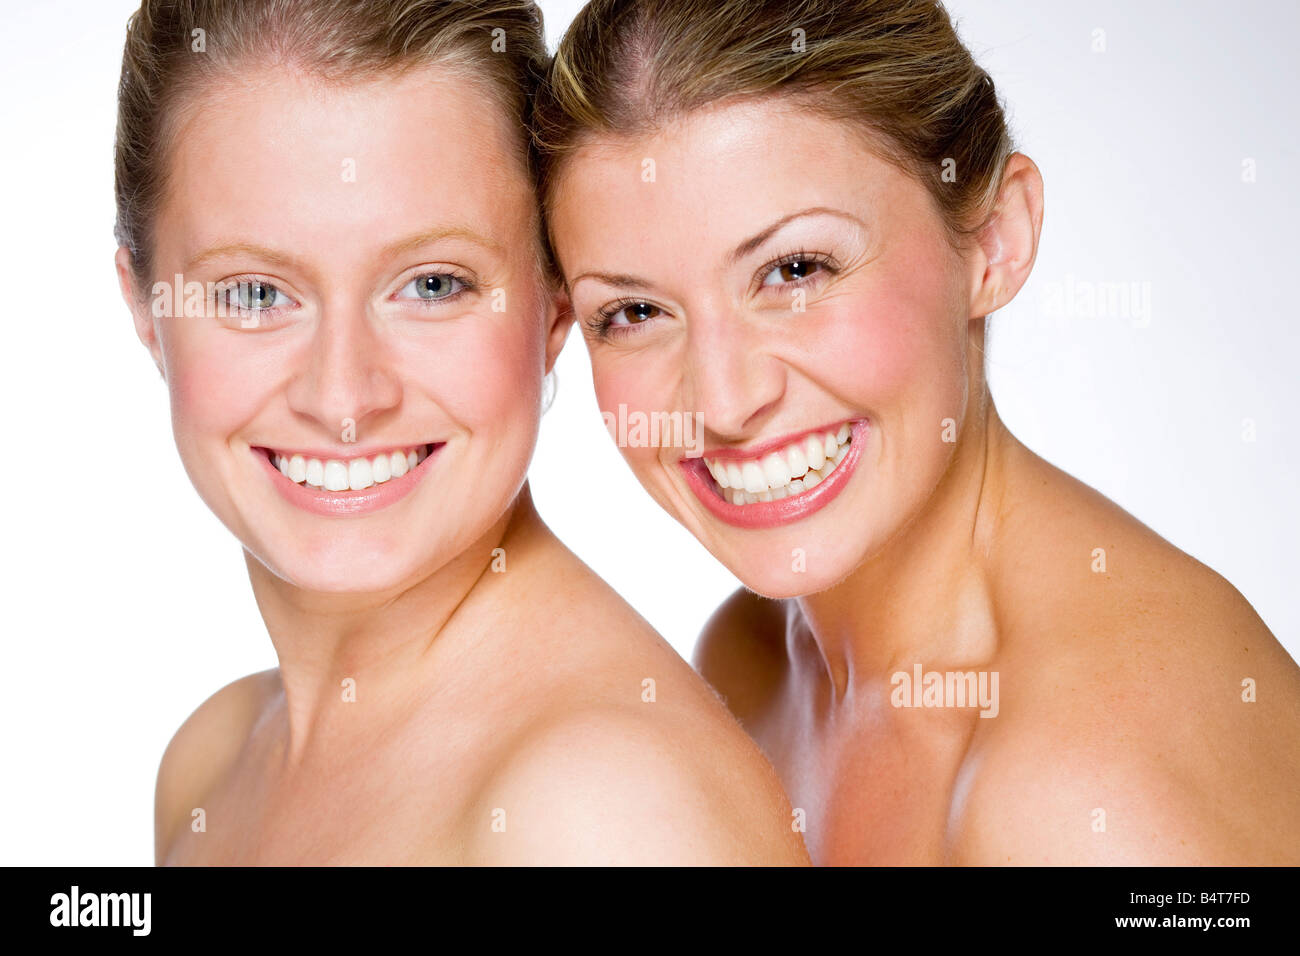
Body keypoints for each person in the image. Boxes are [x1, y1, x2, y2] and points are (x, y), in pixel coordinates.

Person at [535, 0, 1300, 863]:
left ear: (993, 239)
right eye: (634, 311)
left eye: (795, 270)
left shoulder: (1087, 793)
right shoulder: (750, 659)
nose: (722, 399)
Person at [114, 0, 808, 865]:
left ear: (556, 306)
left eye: (434, 284)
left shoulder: (605, 812)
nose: (344, 396)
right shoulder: (212, 760)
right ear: (145, 304)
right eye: (255, 293)